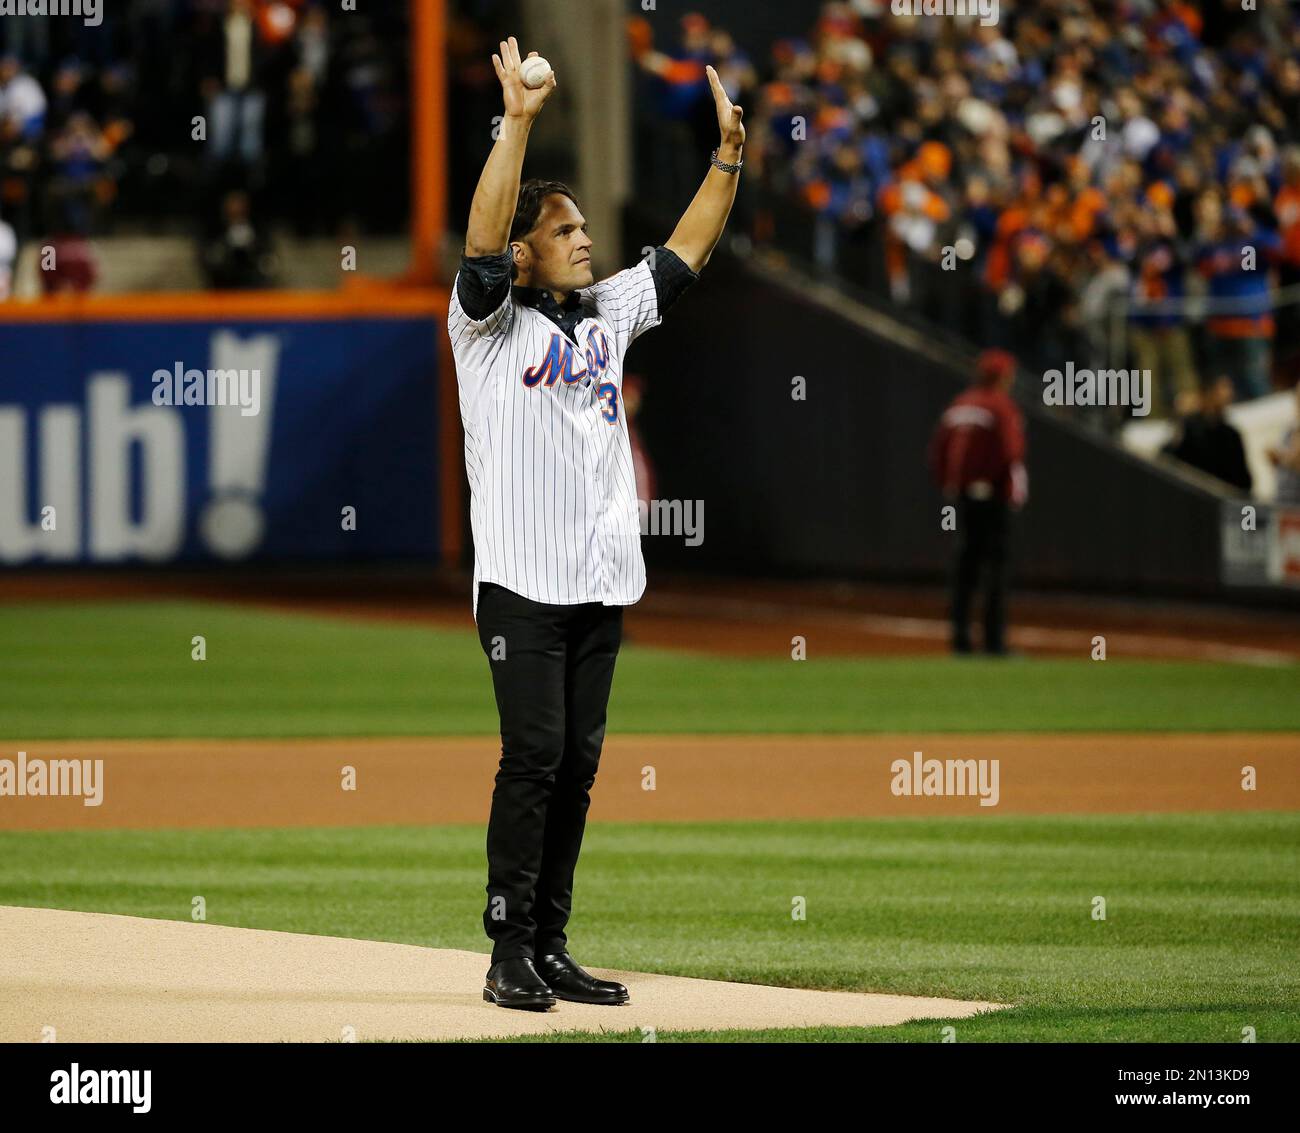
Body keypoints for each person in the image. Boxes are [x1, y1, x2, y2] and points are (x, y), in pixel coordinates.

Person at [447, 37, 744, 1011]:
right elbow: (484, 238)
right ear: (527, 251)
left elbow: (687, 249)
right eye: (563, 229)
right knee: (532, 754)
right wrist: (519, 121)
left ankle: (552, 942)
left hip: (601, 575)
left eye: (581, 225)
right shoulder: (487, 323)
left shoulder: (606, 312)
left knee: (576, 763)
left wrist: (726, 159)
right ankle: (505, 948)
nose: (583, 238)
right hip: (522, 580)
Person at [928, 349, 1028, 656]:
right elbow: (1012, 453)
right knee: (995, 569)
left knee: (965, 566)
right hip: (993, 498)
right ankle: (994, 642)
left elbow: (937, 452)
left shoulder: (960, 404)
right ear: (1002, 377)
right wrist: (1004, 488)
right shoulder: (1001, 407)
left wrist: (951, 485)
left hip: (963, 497)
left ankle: (960, 639)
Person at [1162, 375, 1253, 493]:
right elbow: (1168, 461)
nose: (1230, 393)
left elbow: (1244, 481)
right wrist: (1181, 420)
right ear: (1209, 393)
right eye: (1223, 388)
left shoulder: (1231, 434)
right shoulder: (1190, 429)